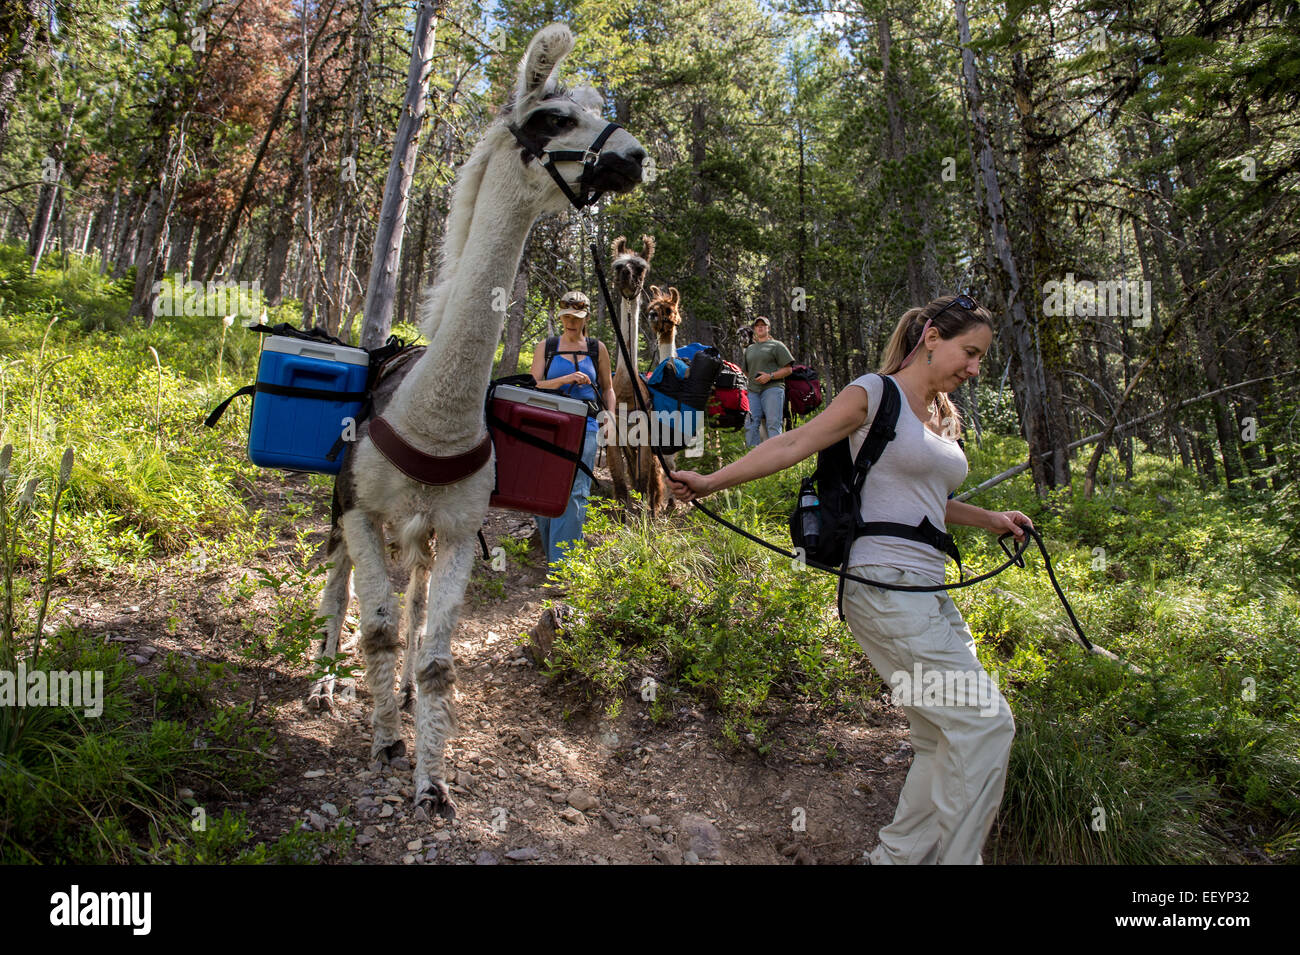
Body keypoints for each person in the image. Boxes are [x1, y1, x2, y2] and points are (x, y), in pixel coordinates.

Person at [669, 295, 1031, 865]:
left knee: (940, 736)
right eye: (970, 352)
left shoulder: (940, 414)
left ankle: (894, 859)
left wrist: (991, 520)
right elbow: (793, 442)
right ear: (931, 337)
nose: (974, 368)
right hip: (883, 590)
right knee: (987, 724)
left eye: (980, 358)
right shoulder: (873, 393)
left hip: (928, 591)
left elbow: (932, 499)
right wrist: (711, 481)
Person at [529, 290, 616, 567]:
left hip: (586, 423)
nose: (570, 322)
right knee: (543, 487)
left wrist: (610, 417)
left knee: (577, 490)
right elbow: (532, 385)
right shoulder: (547, 346)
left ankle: (564, 567)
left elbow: (608, 388)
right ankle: (552, 554)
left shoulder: (596, 348)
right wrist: (565, 378)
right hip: (548, 423)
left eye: (576, 317)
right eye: (566, 316)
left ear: (586, 317)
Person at [741, 316, 795, 447]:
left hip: (773, 388)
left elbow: (788, 370)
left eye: (763, 325)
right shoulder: (749, 349)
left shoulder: (777, 345)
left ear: (768, 328)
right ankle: (753, 457)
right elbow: (746, 371)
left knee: (773, 423)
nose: (760, 327)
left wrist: (769, 376)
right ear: (754, 329)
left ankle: (777, 457)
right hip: (753, 391)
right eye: (757, 325)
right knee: (750, 424)